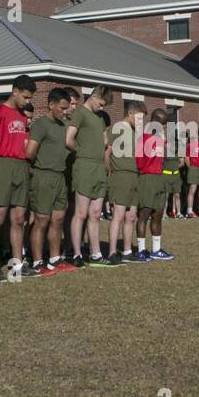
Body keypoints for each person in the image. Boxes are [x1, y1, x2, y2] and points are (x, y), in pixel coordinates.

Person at [0, 75, 36, 277]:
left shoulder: (23, 116)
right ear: (15, 92)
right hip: (3, 164)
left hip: (21, 166)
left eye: (30, 98)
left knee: (18, 218)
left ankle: (17, 265)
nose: (28, 101)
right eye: (25, 97)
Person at [25, 87, 76, 275]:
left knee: (58, 220)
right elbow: (29, 153)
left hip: (60, 177)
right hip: (43, 176)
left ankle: (55, 259)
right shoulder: (40, 125)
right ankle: (37, 262)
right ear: (51, 105)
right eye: (62, 108)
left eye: (67, 108)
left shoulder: (64, 127)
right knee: (41, 221)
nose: (65, 112)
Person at [65, 85, 114, 266]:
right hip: (84, 167)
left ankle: (96, 254)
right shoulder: (80, 113)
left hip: (98, 168)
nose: (102, 108)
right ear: (93, 96)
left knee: (95, 213)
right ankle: (77, 254)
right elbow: (69, 140)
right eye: (101, 104)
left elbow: (104, 141)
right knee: (80, 213)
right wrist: (82, 152)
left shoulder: (99, 117)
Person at [133, 107, 174, 261]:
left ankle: (156, 249)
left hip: (159, 178)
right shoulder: (142, 139)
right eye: (162, 124)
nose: (163, 127)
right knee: (144, 214)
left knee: (157, 215)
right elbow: (138, 163)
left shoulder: (160, 139)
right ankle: (141, 250)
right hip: (147, 178)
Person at [105, 100, 143, 264]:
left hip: (134, 176)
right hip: (120, 176)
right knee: (118, 216)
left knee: (131, 216)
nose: (142, 122)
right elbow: (106, 151)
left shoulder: (135, 133)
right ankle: (112, 252)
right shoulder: (116, 129)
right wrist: (110, 172)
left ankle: (127, 250)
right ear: (130, 113)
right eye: (140, 118)